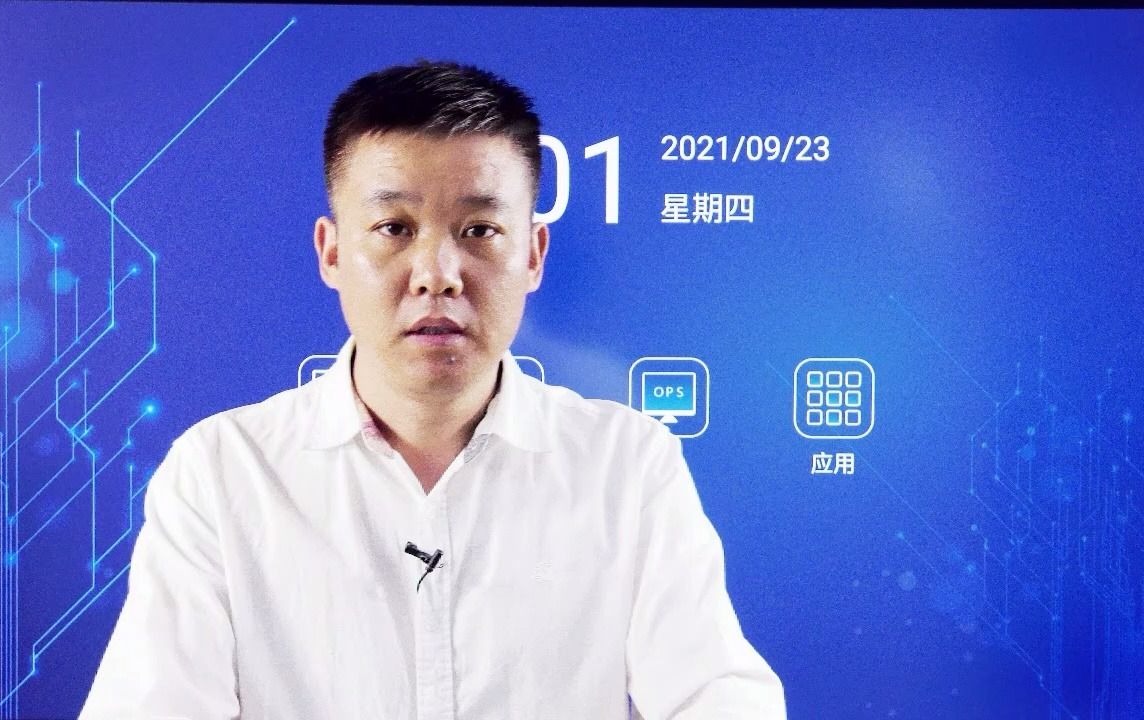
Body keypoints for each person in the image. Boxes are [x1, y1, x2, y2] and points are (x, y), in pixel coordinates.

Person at [80, 60, 786, 719]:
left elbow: (718, 697)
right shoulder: (223, 473)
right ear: (332, 252)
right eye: (394, 228)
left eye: (479, 229)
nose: (437, 274)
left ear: (533, 254)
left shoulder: (624, 464)